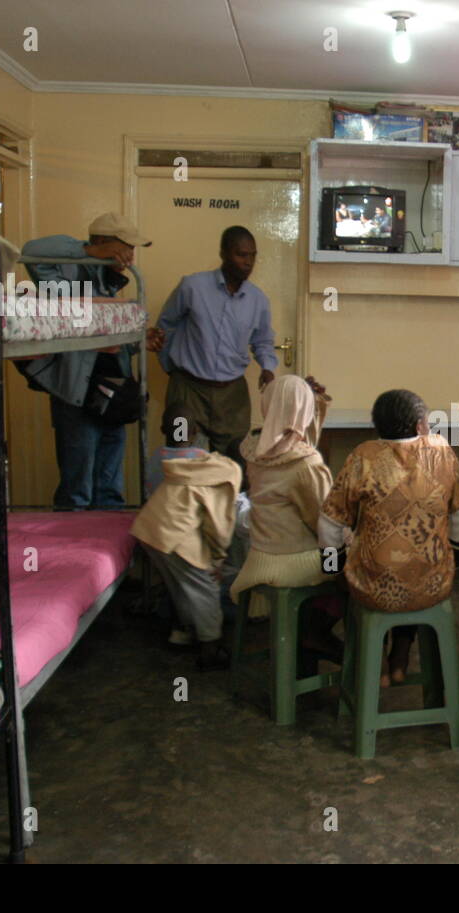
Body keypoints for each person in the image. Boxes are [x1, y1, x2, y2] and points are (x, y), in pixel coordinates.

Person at [319, 389, 459, 687]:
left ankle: (374, 658)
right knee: (416, 572)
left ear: (376, 426)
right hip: (433, 585)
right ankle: (401, 655)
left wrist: (331, 569)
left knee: (366, 578)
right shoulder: (442, 452)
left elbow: (329, 522)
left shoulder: (362, 457)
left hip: (370, 587)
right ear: (420, 426)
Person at [20, 212, 151, 510]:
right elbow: (30, 251)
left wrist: (136, 343)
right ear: (104, 243)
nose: (131, 255)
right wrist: (88, 252)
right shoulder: (65, 275)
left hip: (113, 391)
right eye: (126, 246)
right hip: (76, 393)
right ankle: (71, 550)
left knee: (109, 487)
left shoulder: (110, 282)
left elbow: (105, 333)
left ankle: (107, 551)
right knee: (77, 487)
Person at [230, 374, 344, 661]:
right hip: (296, 562)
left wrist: (312, 402)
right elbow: (323, 520)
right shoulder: (306, 465)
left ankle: (304, 638)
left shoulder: (254, 448)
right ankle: (314, 634)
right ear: (304, 412)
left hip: (261, 554)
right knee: (355, 566)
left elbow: (298, 438)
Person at [147, 226, 276, 464]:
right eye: (241, 254)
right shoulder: (192, 287)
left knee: (235, 461)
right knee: (180, 455)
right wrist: (171, 368)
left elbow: (263, 341)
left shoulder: (258, 300)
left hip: (232, 397)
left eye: (252, 255)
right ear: (224, 253)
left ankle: (231, 503)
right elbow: (165, 326)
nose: (248, 262)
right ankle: (182, 500)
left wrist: (267, 367)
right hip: (187, 391)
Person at [130, 426, 243, 669]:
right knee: (206, 585)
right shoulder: (229, 475)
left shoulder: (207, 462)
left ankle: (183, 632)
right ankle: (210, 650)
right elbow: (219, 524)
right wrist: (218, 559)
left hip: (149, 528)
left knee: (181, 585)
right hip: (172, 533)